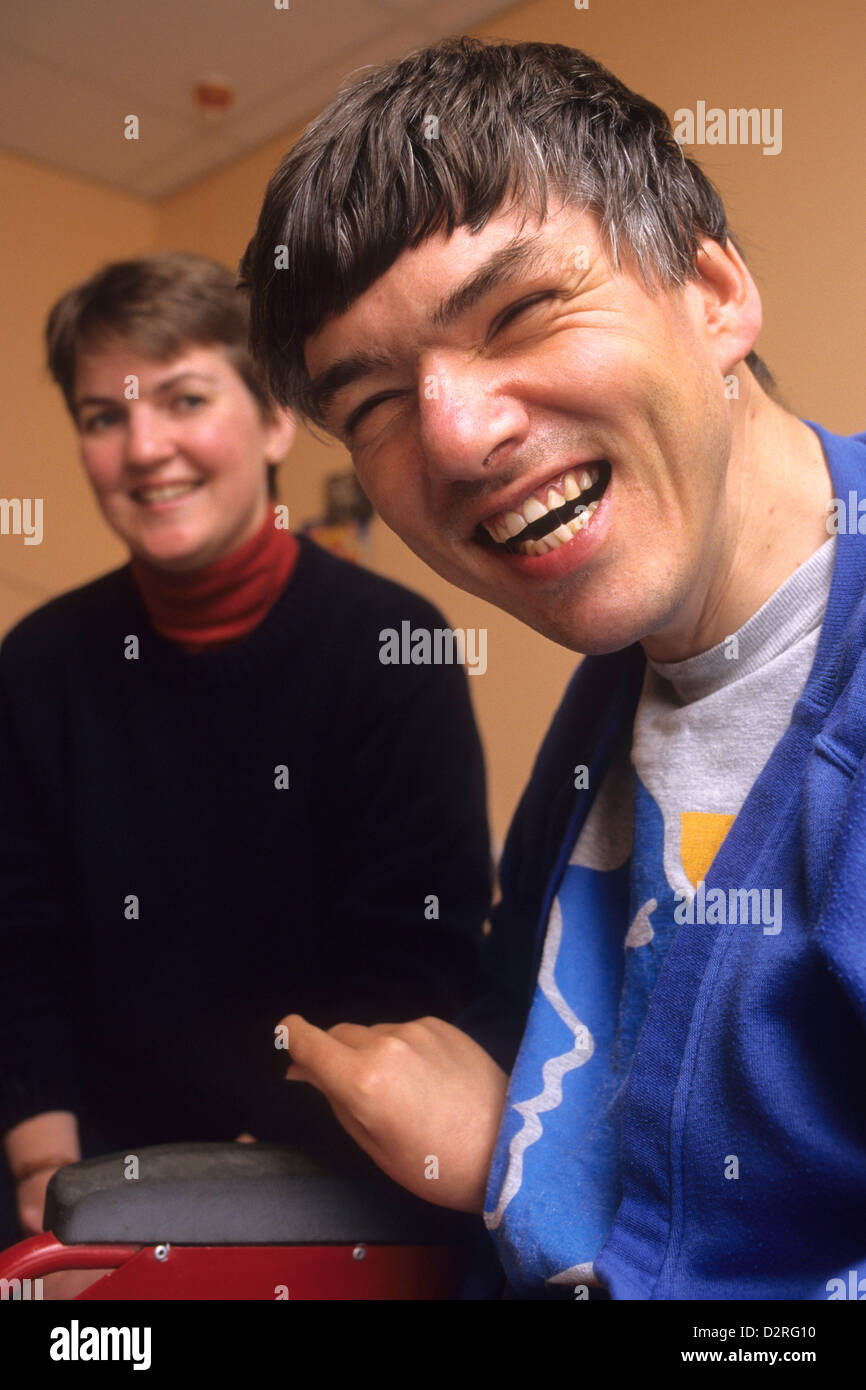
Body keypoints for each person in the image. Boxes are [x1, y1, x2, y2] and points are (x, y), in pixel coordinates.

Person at [239, 37, 866, 1300]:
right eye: (372, 405)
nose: (455, 438)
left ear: (713, 291)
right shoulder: (621, 690)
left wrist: (521, 1168)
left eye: (520, 312)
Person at [0, 252, 491, 1259]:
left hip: (320, 1160)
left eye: (183, 398)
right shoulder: (38, 664)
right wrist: (44, 1165)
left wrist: (227, 1183)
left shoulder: (394, 647)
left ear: (273, 419)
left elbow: (414, 971)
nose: (144, 448)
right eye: (104, 416)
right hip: (78, 1166)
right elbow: (22, 942)